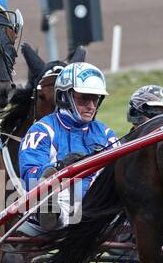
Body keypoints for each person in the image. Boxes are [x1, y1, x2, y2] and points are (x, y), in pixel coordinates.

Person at [19, 61, 119, 229]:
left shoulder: (105, 133)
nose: (91, 106)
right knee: (62, 195)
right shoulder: (43, 130)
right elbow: (31, 174)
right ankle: (53, 213)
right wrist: (60, 166)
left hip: (96, 203)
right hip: (57, 199)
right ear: (64, 96)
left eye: (95, 99)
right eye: (84, 98)